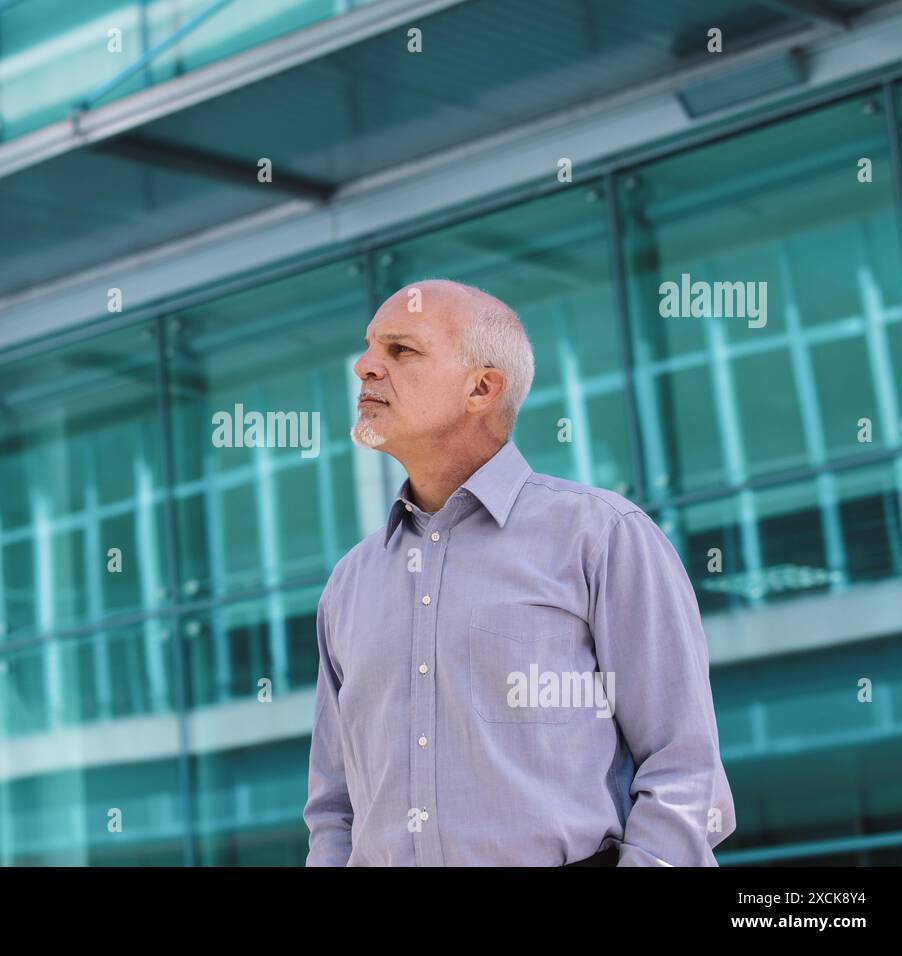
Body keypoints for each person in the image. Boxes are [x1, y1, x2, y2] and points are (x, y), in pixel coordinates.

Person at [303, 278, 736, 866]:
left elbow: (685, 769)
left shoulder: (601, 535)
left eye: (400, 350)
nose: (365, 367)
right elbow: (334, 807)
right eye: (370, 348)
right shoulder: (350, 585)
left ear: (482, 388)